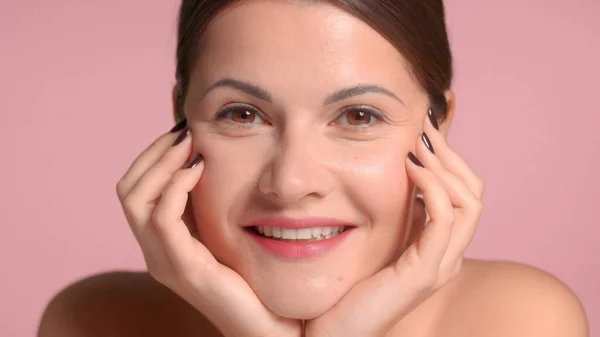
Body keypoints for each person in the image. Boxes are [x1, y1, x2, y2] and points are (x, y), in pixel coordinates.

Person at [37, 1, 589, 336]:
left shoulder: (521, 321)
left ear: (436, 129)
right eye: (243, 114)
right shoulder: (95, 322)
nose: (292, 182)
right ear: (182, 122)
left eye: (358, 115)